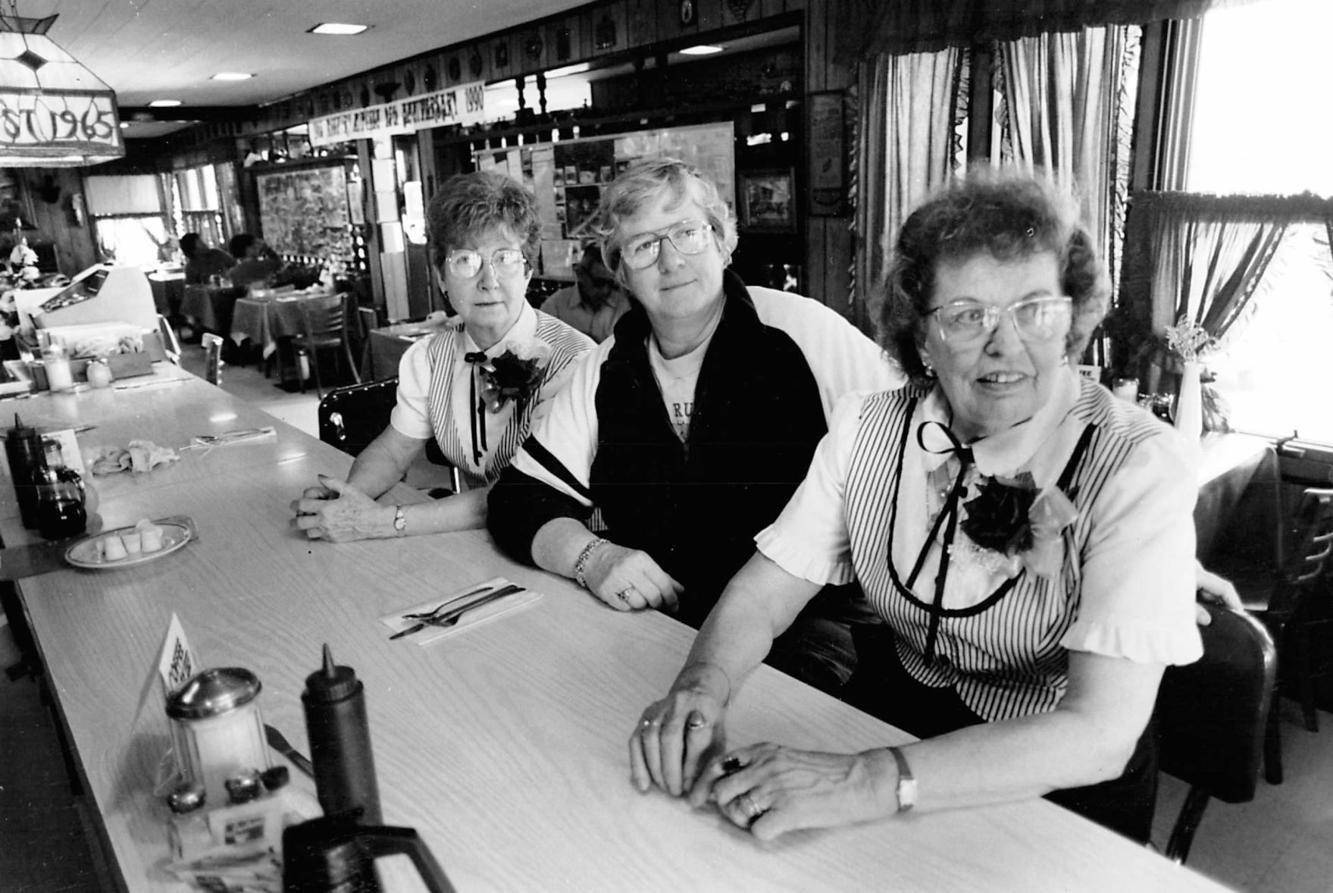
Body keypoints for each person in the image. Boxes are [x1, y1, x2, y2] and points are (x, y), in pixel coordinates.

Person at [630, 171, 1205, 845]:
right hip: (893, 715)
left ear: (1071, 321)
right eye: (967, 315)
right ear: (921, 338)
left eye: (1034, 310)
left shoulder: (1137, 463)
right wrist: (701, 685)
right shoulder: (867, 427)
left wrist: (863, 781)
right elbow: (763, 594)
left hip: (1056, 775)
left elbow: (1100, 732)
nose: (1005, 343)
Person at [487, 158, 903, 693]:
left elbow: (916, 450)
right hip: (663, 623)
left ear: (723, 242)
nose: (671, 260)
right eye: (643, 245)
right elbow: (518, 499)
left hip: (812, 633)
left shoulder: (803, 331)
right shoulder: (608, 366)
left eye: (687, 232)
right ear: (621, 271)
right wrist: (592, 557)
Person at [291, 171, 594, 542]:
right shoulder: (429, 358)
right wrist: (349, 499)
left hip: (560, 545)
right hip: (478, 542)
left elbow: (520, 491)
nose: (489, 281)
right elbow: (393, 451)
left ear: (528, 272)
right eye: (465, 260)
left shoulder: (574, 362)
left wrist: (380, 522)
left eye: (505, 258)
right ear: (440, 277)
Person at [540, 243, 631, 342]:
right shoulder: (556, 306)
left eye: (611, 284)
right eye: (599, 283)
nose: (606, 290)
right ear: (581, 275)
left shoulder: (624, 307)